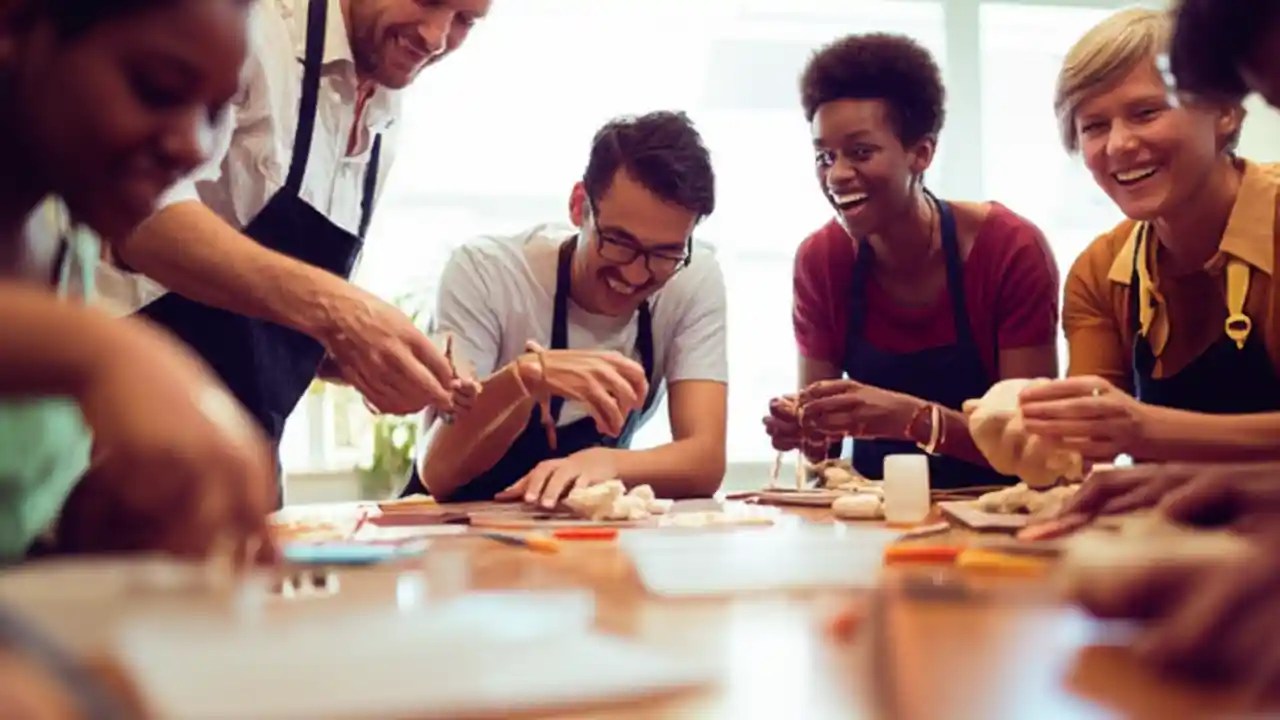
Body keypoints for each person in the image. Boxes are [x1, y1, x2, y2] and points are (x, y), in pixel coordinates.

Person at [100, 0, 491, 496]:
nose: (437, 36)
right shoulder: (254, 33)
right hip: (125, 434)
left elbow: (275, 327)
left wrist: (382, 358)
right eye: (430, 1)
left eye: (466, 21)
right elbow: (139, 219)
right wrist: (341, 312)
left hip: (247, 462)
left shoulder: (384, 124)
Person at [0, 0, 275, 561]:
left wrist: (109, 524)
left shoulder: (65, 236)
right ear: (13, 23)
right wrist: (104, 353)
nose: (197, 145)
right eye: (157, 88)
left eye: (216, 111)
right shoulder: (94, 345)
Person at [983, 8, 1280, 480]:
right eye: (1094, 126)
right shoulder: (1099, 272)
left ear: (1226, 112)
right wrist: (1031, 432)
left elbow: (1127, 429)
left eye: (1146, 112)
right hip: (1177, 539)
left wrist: (1144, 428)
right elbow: (1085, 451)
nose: (1119, 145)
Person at [761, 33, 1060, 488]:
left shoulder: (1009, 250)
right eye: (824, 156)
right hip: (868, 518)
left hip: (995, 518)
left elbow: (1035, 448)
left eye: (861, 152)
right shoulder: (822, 259)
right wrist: (804, 425)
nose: (837, 175)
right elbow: (823, 451)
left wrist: (915, 420)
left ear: (921, 153)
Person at [406, 111, 726, 506]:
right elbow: (438, 471)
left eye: (664, 253)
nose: (635, 272)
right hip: (458, 531)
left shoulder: (693, 278)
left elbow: (705, 459)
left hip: (574, 532)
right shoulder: (488, 272)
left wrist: (606, 463)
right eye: (618, 241)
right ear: (579, 207)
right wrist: (524, 380)